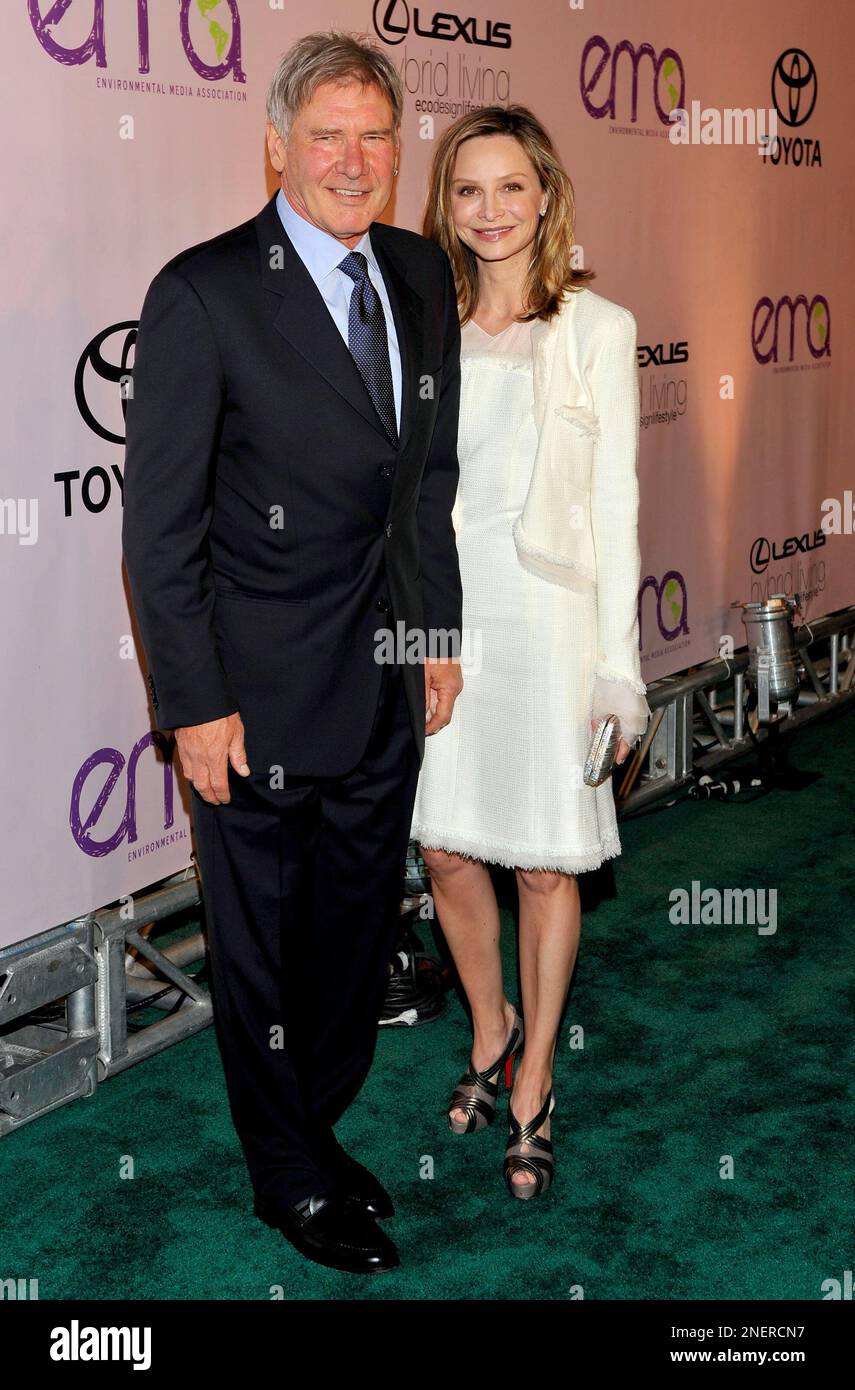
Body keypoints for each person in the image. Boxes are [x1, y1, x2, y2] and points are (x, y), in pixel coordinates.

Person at [121, 30, 463, 1275]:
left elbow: (427, 486)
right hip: (254, 701)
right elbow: (159, 534)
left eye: (376, 134)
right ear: (277, 144)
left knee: (352, 938)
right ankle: (287, 1177)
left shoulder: (422, 277)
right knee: (262, 954)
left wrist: (434, 638)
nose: (354, 160)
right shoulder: (204, 293)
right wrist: (193, 704)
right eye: (328, 134)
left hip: (383, 688)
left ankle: (310, 1124)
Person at [410, 105, 650, 1198]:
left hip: (551, 619)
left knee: (547, 860)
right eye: (469, 190)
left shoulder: (596, 328)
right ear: (445, 205)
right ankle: (489, 1021)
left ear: (546, 194)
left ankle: (535, 1077)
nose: (491, 210)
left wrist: (621, 668)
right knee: (450, 850)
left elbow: (616, 503)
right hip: (448, 618)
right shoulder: (425, 324)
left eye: (512, 187)